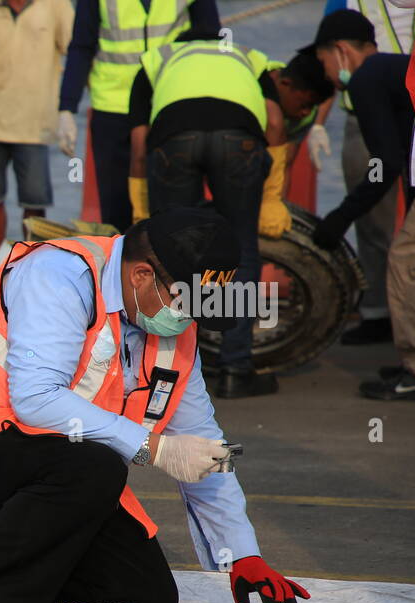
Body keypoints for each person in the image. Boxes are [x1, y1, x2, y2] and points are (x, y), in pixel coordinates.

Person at [0, 208, 310, 603]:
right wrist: (152, 447)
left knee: (147, 598)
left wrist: (242, 553)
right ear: (141, 276)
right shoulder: (60, 274)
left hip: (55, 473)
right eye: (186, 303)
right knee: (94, 468)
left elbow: (203, 443)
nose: (189, 318)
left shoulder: (173, 328)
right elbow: (36, 398)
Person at [127, 35, 334, 399]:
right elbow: (273, 121)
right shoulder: (249, 59)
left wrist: (142, 212)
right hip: (238, 139)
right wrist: (271, 198)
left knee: (170, 250)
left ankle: (163, 366)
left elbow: (140, 143)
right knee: (241, 250)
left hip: (175, 138)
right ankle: (235, 368)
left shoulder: (155, 60)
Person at [305, 11, 415, 398]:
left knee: (406, 259)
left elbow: (383, 164)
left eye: (324, 61)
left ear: (340, 51)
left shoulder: (366, 79)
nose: (327, 74)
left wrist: (341, 217)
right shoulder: (392, 71)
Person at [56, 0, 219, 233]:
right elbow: (82, 45)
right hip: (113, 107)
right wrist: (67, 107)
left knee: (174, 205)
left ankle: (171, 264)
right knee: (116, 208)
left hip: (168, 103)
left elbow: (210, 37)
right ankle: (122, 262)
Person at [0, 0, 73, 252]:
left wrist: (70, 107)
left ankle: (30, 262)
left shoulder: (57, 6)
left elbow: (78, 52)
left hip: (36, 121)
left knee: (35, 200)